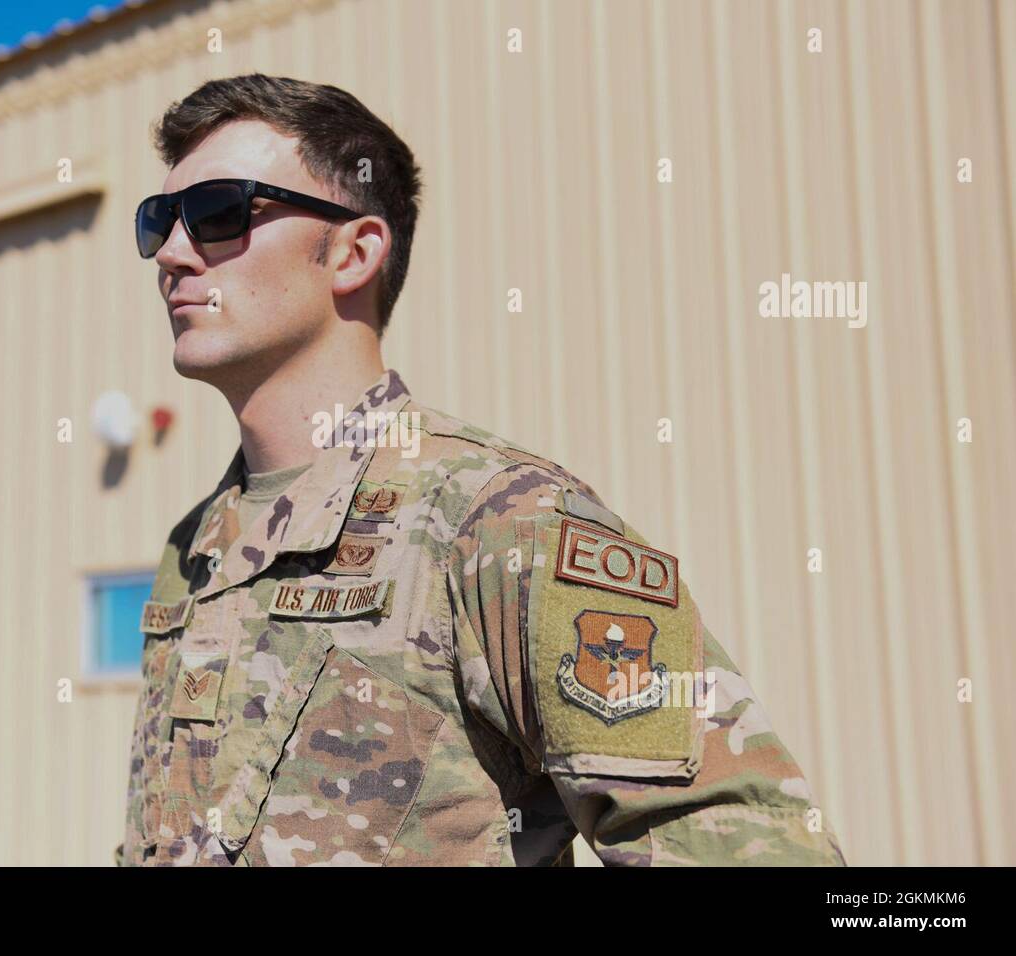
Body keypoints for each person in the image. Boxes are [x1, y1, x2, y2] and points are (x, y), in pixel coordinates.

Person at [116, 73, 846, 866]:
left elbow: (750, 847)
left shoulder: (498, 520)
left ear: (354, 253)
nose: (175, 254)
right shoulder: (194, 547)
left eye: (220, 213)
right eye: (160, 221)